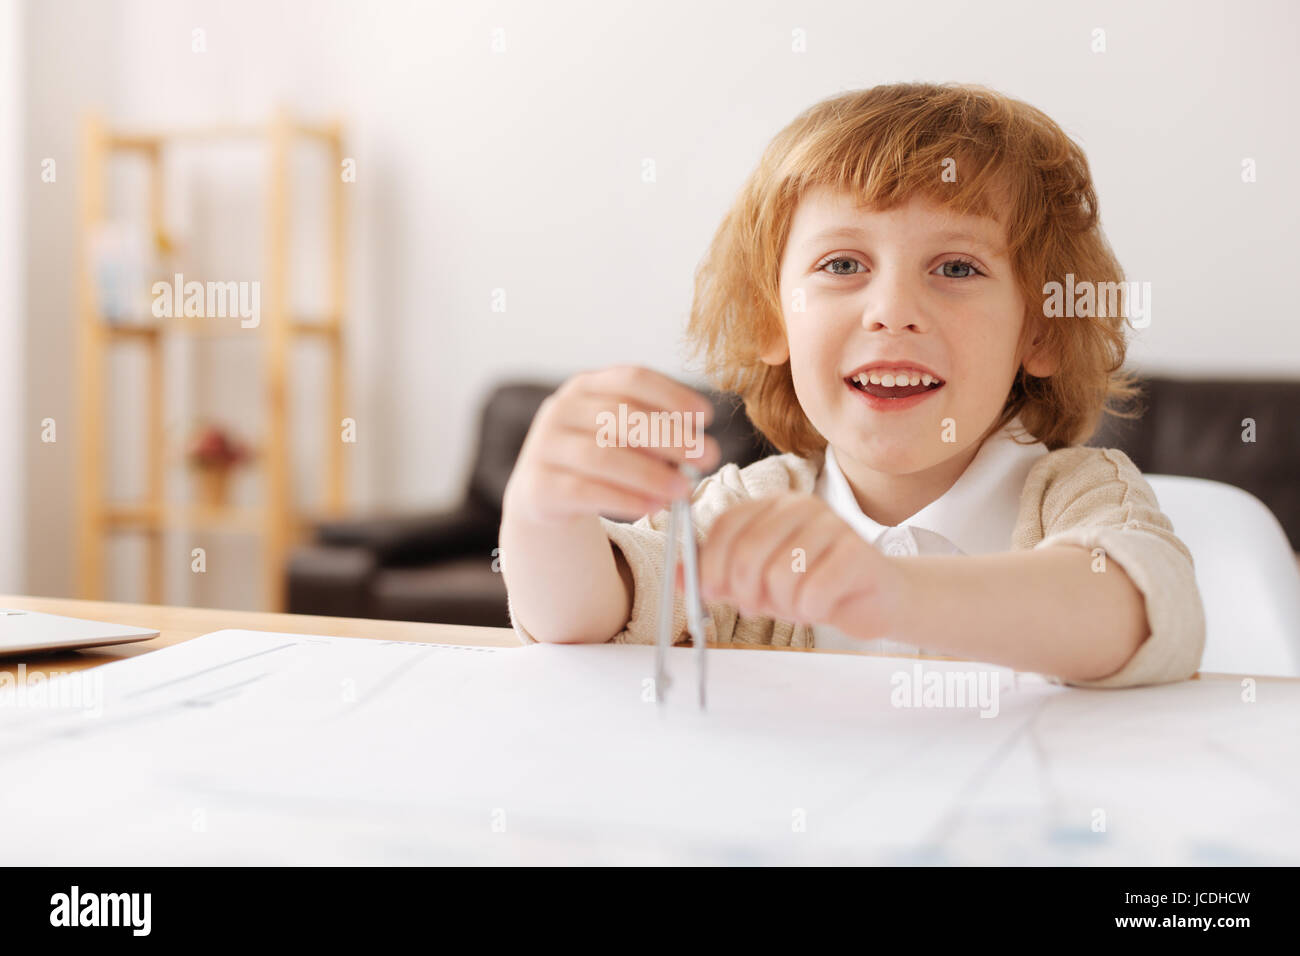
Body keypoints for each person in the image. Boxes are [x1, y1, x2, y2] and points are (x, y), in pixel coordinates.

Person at [498, 82, 1204, 688]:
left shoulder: (1078, 495)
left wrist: (892, 591)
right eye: (842, 265)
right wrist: (539, 513)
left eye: (956, 268)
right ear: (773, 318)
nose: (892, 311)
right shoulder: (752, 507)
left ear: (1041, 331)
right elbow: (589, 615)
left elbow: (1141, 612)